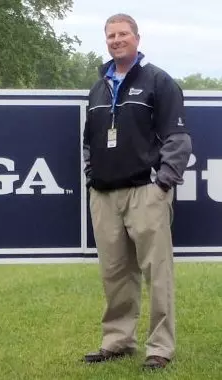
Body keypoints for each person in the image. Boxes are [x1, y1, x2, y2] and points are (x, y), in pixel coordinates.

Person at [82, 14, 192, 370]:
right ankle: (117, 341)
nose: (116, 40)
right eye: (111, 35)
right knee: (114, 273)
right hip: (104, 194)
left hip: (146, 191)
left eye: (123, 34)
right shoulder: (98, 88)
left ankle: (159, 348)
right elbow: (88, 141)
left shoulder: (159, 81)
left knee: (156, 273)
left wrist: (163, 182)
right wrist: (90, 173)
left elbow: (178, 139)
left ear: (137, 38)